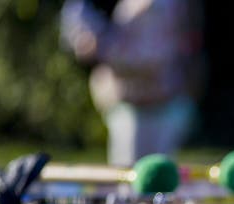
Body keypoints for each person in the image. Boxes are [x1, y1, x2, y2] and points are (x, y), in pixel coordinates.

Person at [60, 0, 202, 166]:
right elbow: (84, 37)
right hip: (128, 105)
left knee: (159, 175)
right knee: (126, 176)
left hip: (164, 102)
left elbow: (162, 55)